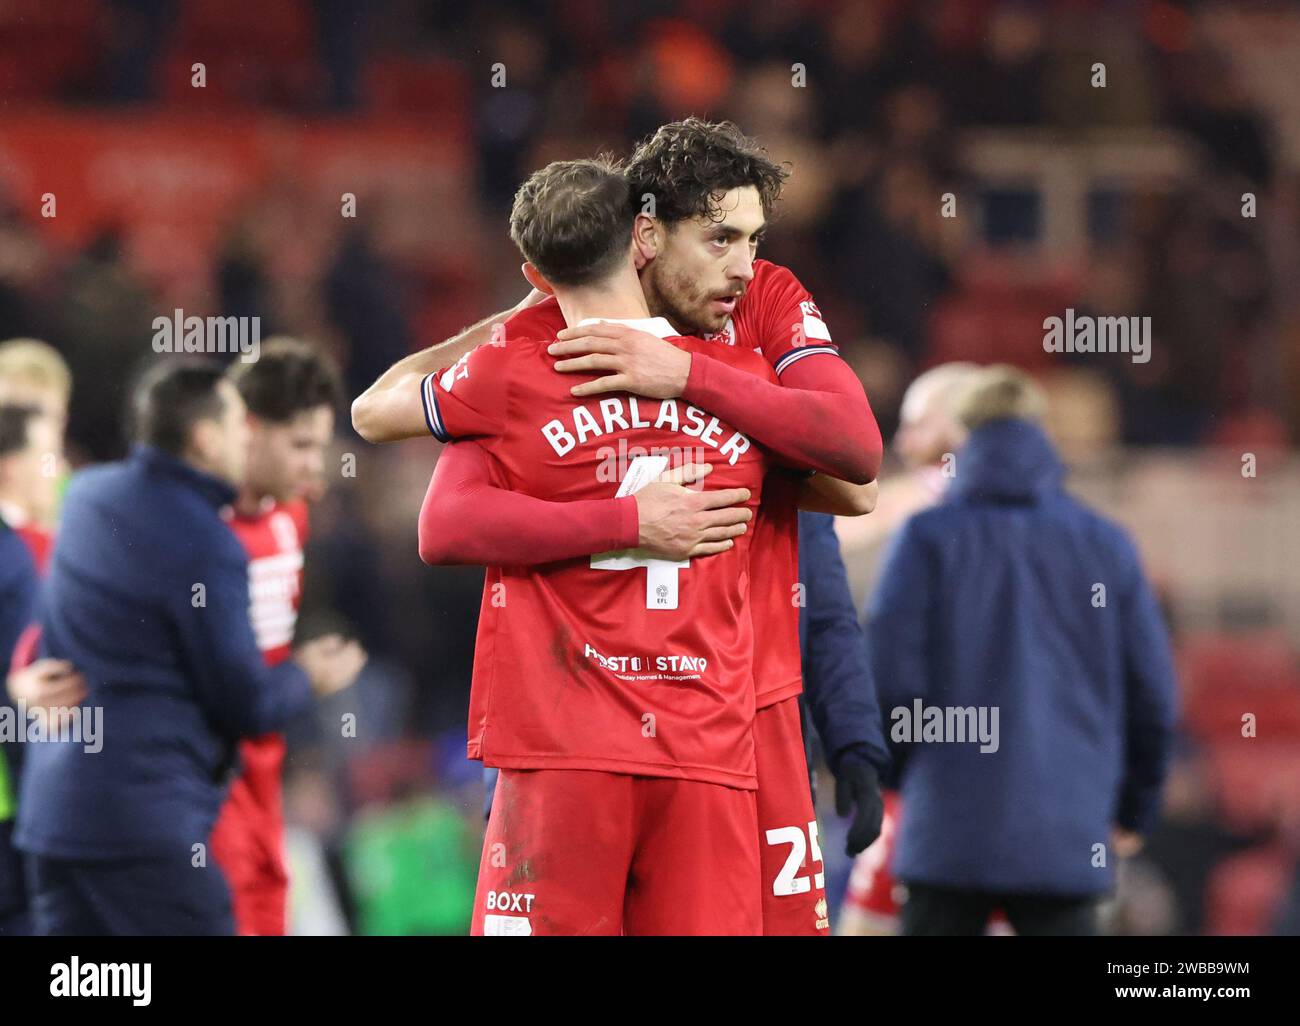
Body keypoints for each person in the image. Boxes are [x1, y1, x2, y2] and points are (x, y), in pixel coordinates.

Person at [353, 119, 889, 934]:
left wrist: (682, 375)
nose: (742, 266)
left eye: (752, 240)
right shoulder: (548, 342)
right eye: (718, 240)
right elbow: (851, 485)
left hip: (737, 712)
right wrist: (636, 510)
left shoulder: (751, 305)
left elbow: (856, 470)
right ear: (645, 235)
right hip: (661, 731)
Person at [414, 156, 779, 934]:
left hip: (563, 748)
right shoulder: (744, 380)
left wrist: (616, 521)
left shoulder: (508, 373)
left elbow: (440, 523)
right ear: (642, 241)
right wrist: (637, 519)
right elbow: (857, 469)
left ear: (534, 274)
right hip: (703, 747)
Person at [15, 359, 363, 935]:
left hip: (53, 821)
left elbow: (57, 622)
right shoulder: (208, 543)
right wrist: (308, 677)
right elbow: (245, 703)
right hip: (149, 825)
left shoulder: (85, 496)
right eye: (234, 426)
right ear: (204, 438)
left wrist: (23, 670)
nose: (243, 438)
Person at [866, 365, 1179, 936]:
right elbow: (1153, 698)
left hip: (946, 838)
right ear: (1041, 433)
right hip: (1066, 841)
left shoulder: (927, 538)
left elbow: (889, 683)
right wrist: (1131, 811)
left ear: (965, 435)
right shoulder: (1106, 545)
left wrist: (911, 777)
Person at [209, 338, 354, 937]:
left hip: (264, 772)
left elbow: (289, 637)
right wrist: (302, 679)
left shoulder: (292, 514)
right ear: (249, 428)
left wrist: (307, 756)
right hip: (202, 778)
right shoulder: (194, 531)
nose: (313, 467)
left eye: (319, 448)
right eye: (300, 446)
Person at [837, 361, 979, 935]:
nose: (903, 440)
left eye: (916, 424)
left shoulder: (923, 513)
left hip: (934, 775)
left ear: (955, 427)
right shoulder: (1052, 520)